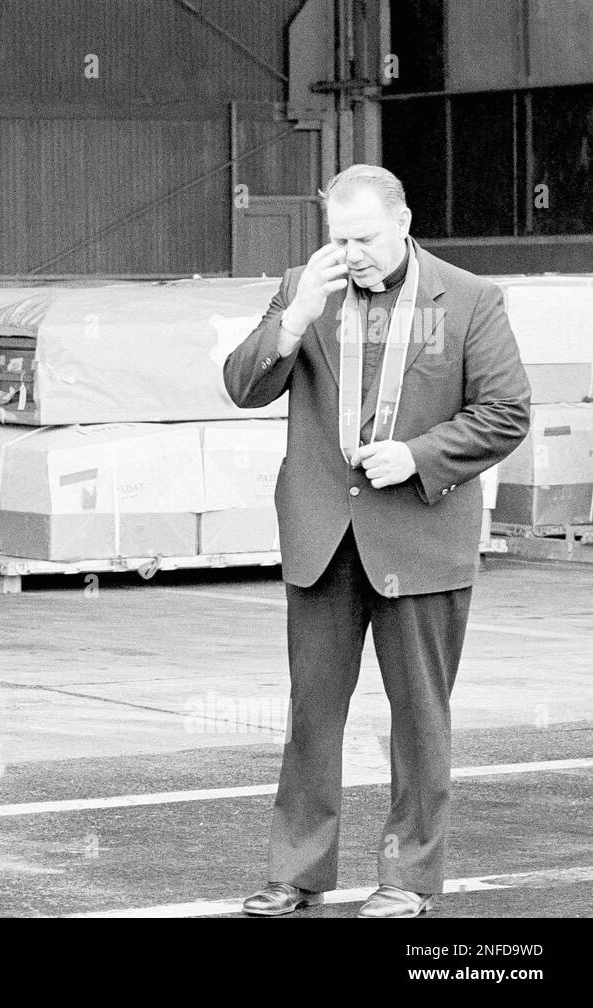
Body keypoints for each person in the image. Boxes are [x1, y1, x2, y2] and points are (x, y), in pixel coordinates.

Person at [224, 164, 530, 918]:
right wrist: (294, 316)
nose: (350, 253)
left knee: (421, 720)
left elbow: (506, 412)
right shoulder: (307, 286)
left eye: (363, 239)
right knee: (310, 717)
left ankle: (408, 878)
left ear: (404, 221)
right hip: (323, 535)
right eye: (338, 237)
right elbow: (243, 384)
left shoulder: (468, 300)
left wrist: (418, 456)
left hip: (421, 538)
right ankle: (295, 872)